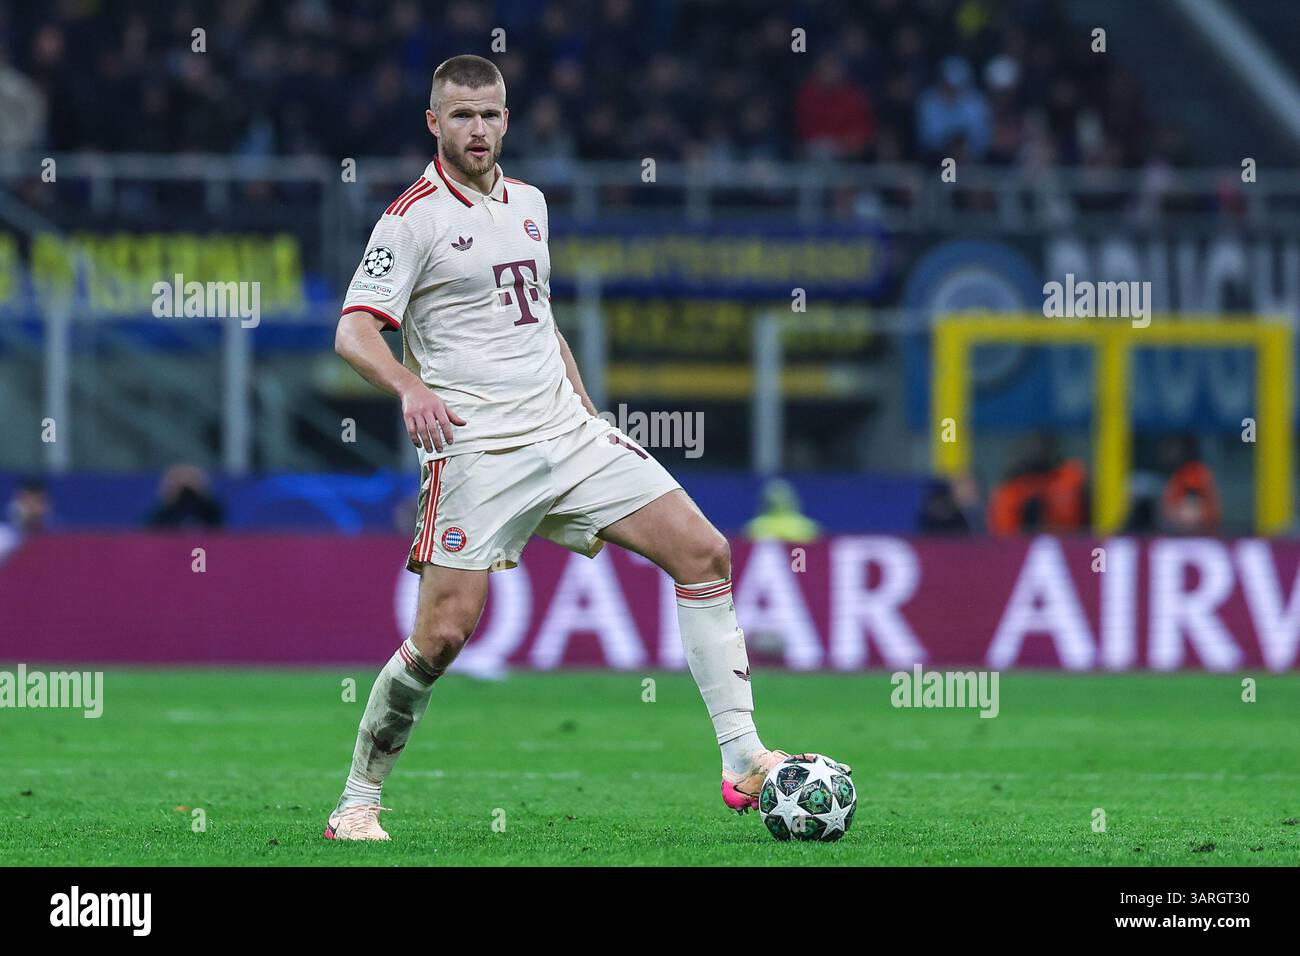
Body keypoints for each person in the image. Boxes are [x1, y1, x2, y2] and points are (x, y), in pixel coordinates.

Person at [326, 56, 838, 841]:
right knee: (442, 637)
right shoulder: (412, 218)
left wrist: (590, 415)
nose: (479, 130)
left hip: (568, 434)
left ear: (507, 118)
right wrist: (410, 389)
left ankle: (742, 759)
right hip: (478, 452)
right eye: (462, 116)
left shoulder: (530, 203)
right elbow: (353, 330)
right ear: (434, 123)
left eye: (492, 115)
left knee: (705, 554)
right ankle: (357, 802)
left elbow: (540, 324)